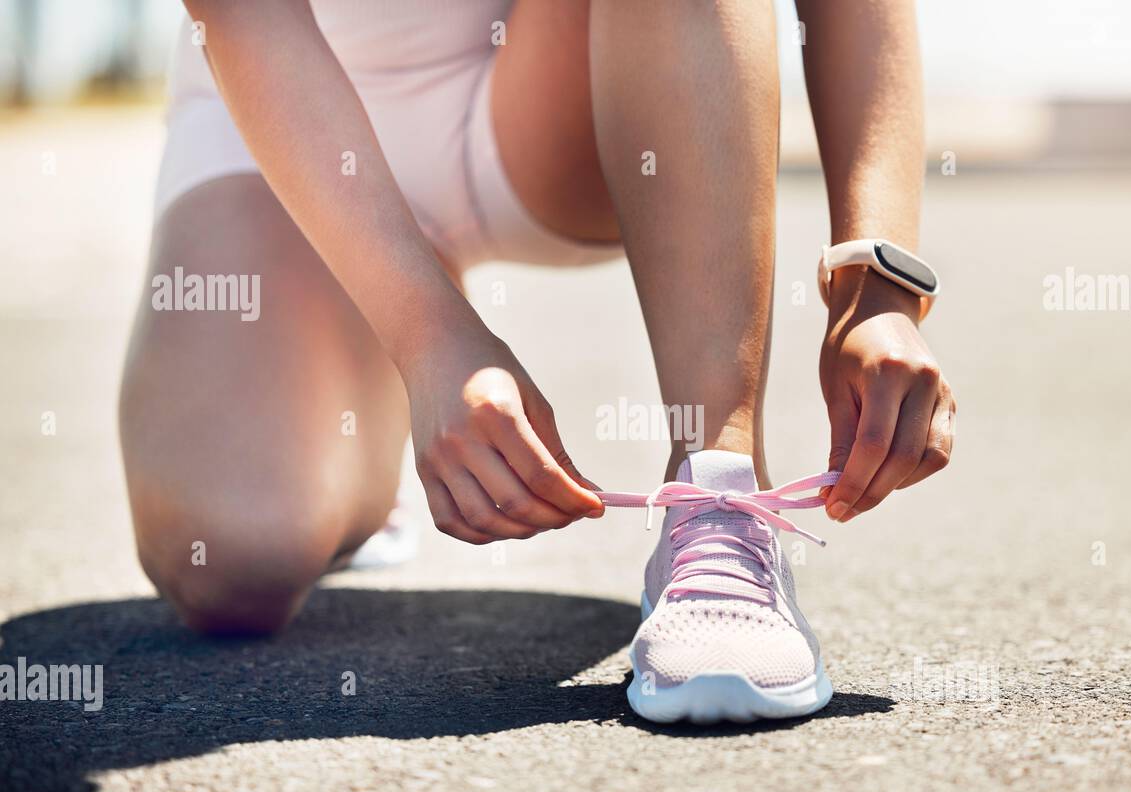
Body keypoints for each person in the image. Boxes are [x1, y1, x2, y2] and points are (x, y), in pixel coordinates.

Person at [119, 0, 955, 723]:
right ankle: (368, 374)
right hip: (287, 109)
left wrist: (878, 286)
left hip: (544, 90)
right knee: (232, 557)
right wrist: (428, 338)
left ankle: (718, 487)